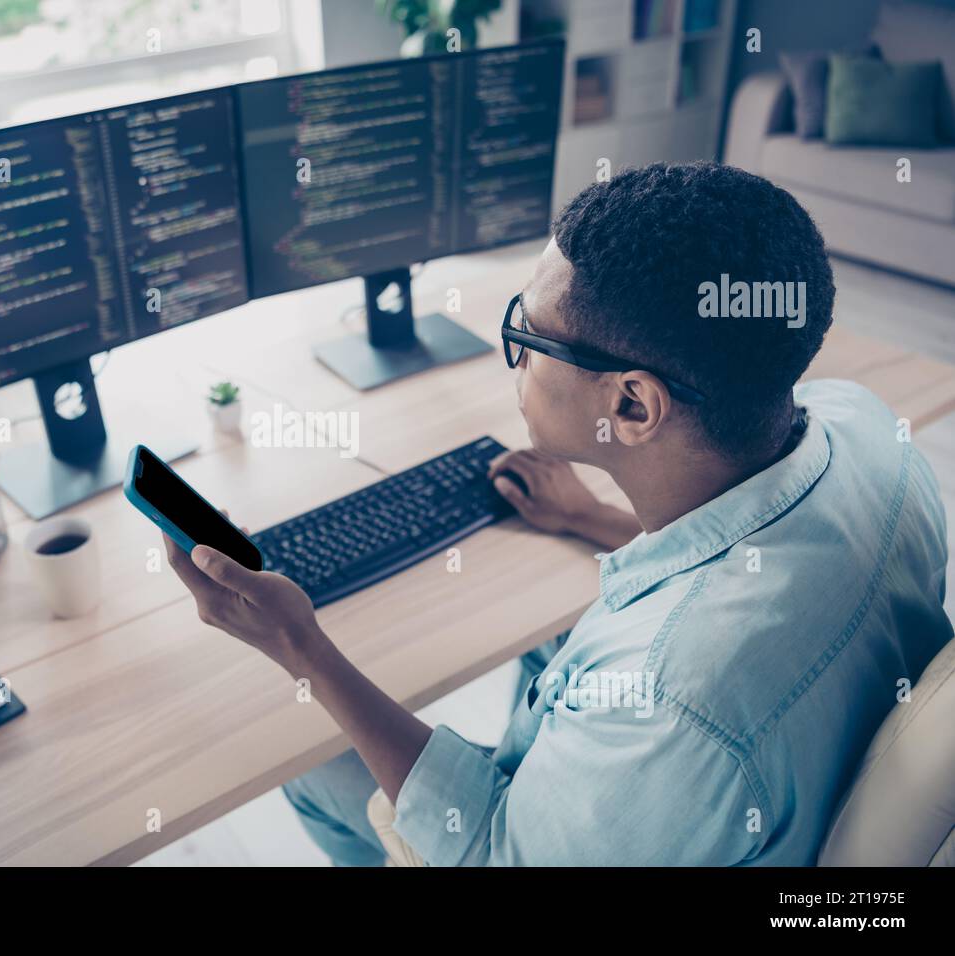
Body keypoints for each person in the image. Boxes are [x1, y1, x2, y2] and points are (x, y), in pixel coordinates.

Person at [163, 162, 952, 865]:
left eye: (526, 334)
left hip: (586, 817)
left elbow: (495, 851)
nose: (515, 354)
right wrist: (589, 520)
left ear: (633, 403)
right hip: (743, 778)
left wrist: (301, 646)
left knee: (311, 769)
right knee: (547, 644)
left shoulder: (672, 702)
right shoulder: (863, 427)